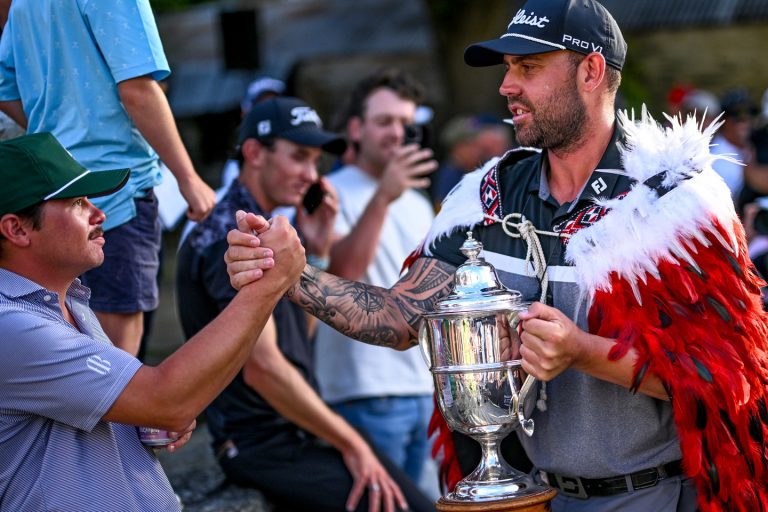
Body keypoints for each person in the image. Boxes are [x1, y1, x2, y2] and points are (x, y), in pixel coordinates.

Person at [225, 0, 768, 510]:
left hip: (649, 497)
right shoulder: (485, 197)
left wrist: (582, 351)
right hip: (523, 497)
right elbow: (399, 318)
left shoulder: (674, 199)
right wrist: (291, 275)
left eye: (529, 67)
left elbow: (726, 379)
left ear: (591, 71)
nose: (507, 86)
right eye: (508, 67)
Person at [0, 132, 303, 511]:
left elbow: (159, 403)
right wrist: (267, 286)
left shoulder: (72, 302)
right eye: (78, 203)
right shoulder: (10, 325)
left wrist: (143, 418)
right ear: (16, 229)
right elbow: (167, 398)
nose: (100, 214)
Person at [176, 97, 433, 512]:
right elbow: (264, 370)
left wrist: (316, 255)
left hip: (293, 434)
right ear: (254, 153)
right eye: (298, 156)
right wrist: (352, 442)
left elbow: (297, 348)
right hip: (262, 445)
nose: (311, 175)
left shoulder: (260, 225)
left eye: (315, 160)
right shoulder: (233, 235)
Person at [0, 0, 216, 357]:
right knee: (117, 366)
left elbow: (5, 89)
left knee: (74, 356)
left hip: (53, 194)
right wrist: (188, 176)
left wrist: (58, 142)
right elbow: (137, 90)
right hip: (116, 191)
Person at [312, 68, 438, 492]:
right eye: (384, 121)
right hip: (363, 390)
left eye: (406, 123)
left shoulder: (419, 200)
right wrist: (383, 196)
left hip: (425, 387)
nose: (398, 133)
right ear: (355, 129)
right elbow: (342, 272)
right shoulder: (328, 190)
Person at [431, 114, 512, 206]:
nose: (478, 149)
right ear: (458, 147)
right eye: (472, 145)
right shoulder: (449, 176)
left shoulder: (473, 170)